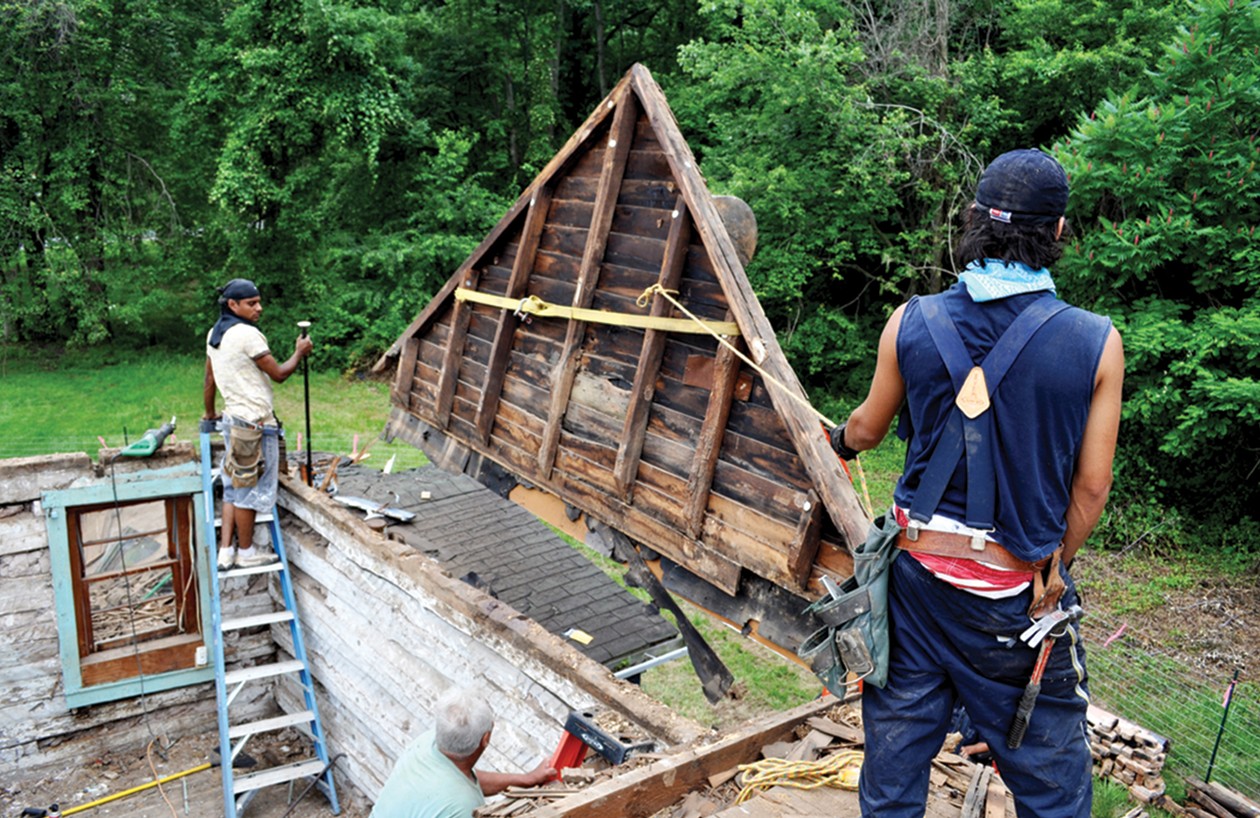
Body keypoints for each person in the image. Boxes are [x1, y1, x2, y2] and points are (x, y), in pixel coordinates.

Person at [830, 149, 1124, 818]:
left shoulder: (911, 321)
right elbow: (1092, 489)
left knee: (893, 773)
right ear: (1057, 231)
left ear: (973, 222)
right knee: (1053, 792)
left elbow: (867, 430)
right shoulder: (1095, 342)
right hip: (1013, 601)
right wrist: (1051, 566)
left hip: (914, 588)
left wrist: (838, 442)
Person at [203, 278, 312, 570]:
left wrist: (210, 413)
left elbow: (210, 378)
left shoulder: (215, 333)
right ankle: (247, 552)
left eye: (259, 302)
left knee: (233, 487)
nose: (259, 308)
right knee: (248, 492)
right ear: (233, 304)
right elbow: (279, 374)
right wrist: (299, 352)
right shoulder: (248, 335)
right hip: (254, 424)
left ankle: (226, 551)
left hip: (232, 420)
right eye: (252, 303)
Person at [370, 687, 557, 818]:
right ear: (486, 739)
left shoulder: (427, 744)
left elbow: (466, 779)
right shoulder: (463, 807)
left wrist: (527, 779)